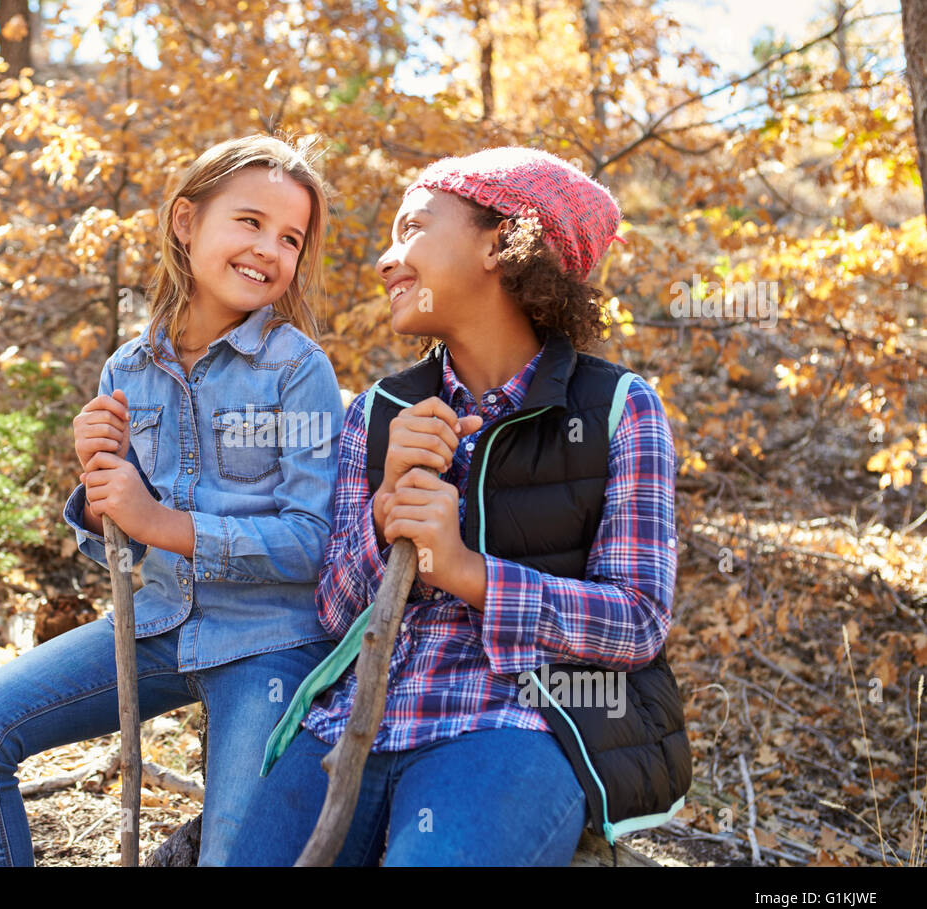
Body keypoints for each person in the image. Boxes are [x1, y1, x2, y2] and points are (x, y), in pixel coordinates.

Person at [228, 146, 690, 867]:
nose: (386, 260)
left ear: (500, 243)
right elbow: (335, 615)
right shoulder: (379, 412)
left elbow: (636, 622)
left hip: (519, 720)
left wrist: (468, 572)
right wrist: (384, 522)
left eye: (413, 229)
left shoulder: (618, 409)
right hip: (354, 722)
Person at [0, 134, 344, 866]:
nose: (269, 250)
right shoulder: (128, 368)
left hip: (269, 642)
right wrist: (99, 495)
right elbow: (118, 549)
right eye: (249, 222)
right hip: (154, 624)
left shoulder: (298, 370)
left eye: (290, 237)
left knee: (233, 858)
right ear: (186, 223)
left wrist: (163, 522)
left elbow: (315, 541)